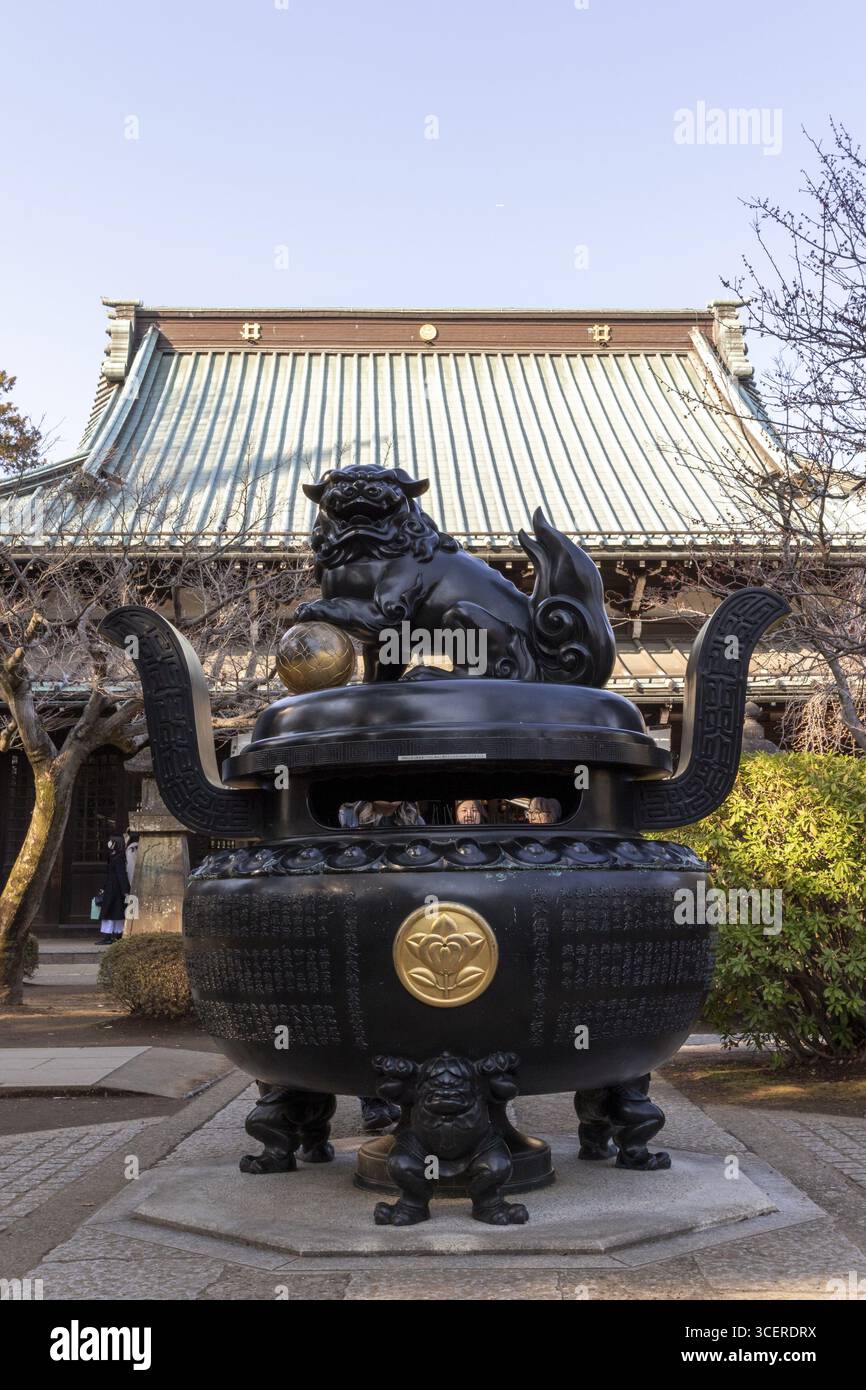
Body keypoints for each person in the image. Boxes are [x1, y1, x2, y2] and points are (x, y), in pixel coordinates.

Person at [97, 834, 130, 943]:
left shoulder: (118, 857)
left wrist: (125, 891)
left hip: (115, 890)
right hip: (112, 888)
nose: (109, 843)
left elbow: (121, 875)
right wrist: (104, 887)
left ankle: (110, 936)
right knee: (115, 913)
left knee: (111, 913)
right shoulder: (114, 856)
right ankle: (115, 935)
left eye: (111, 841)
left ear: (115, 843)